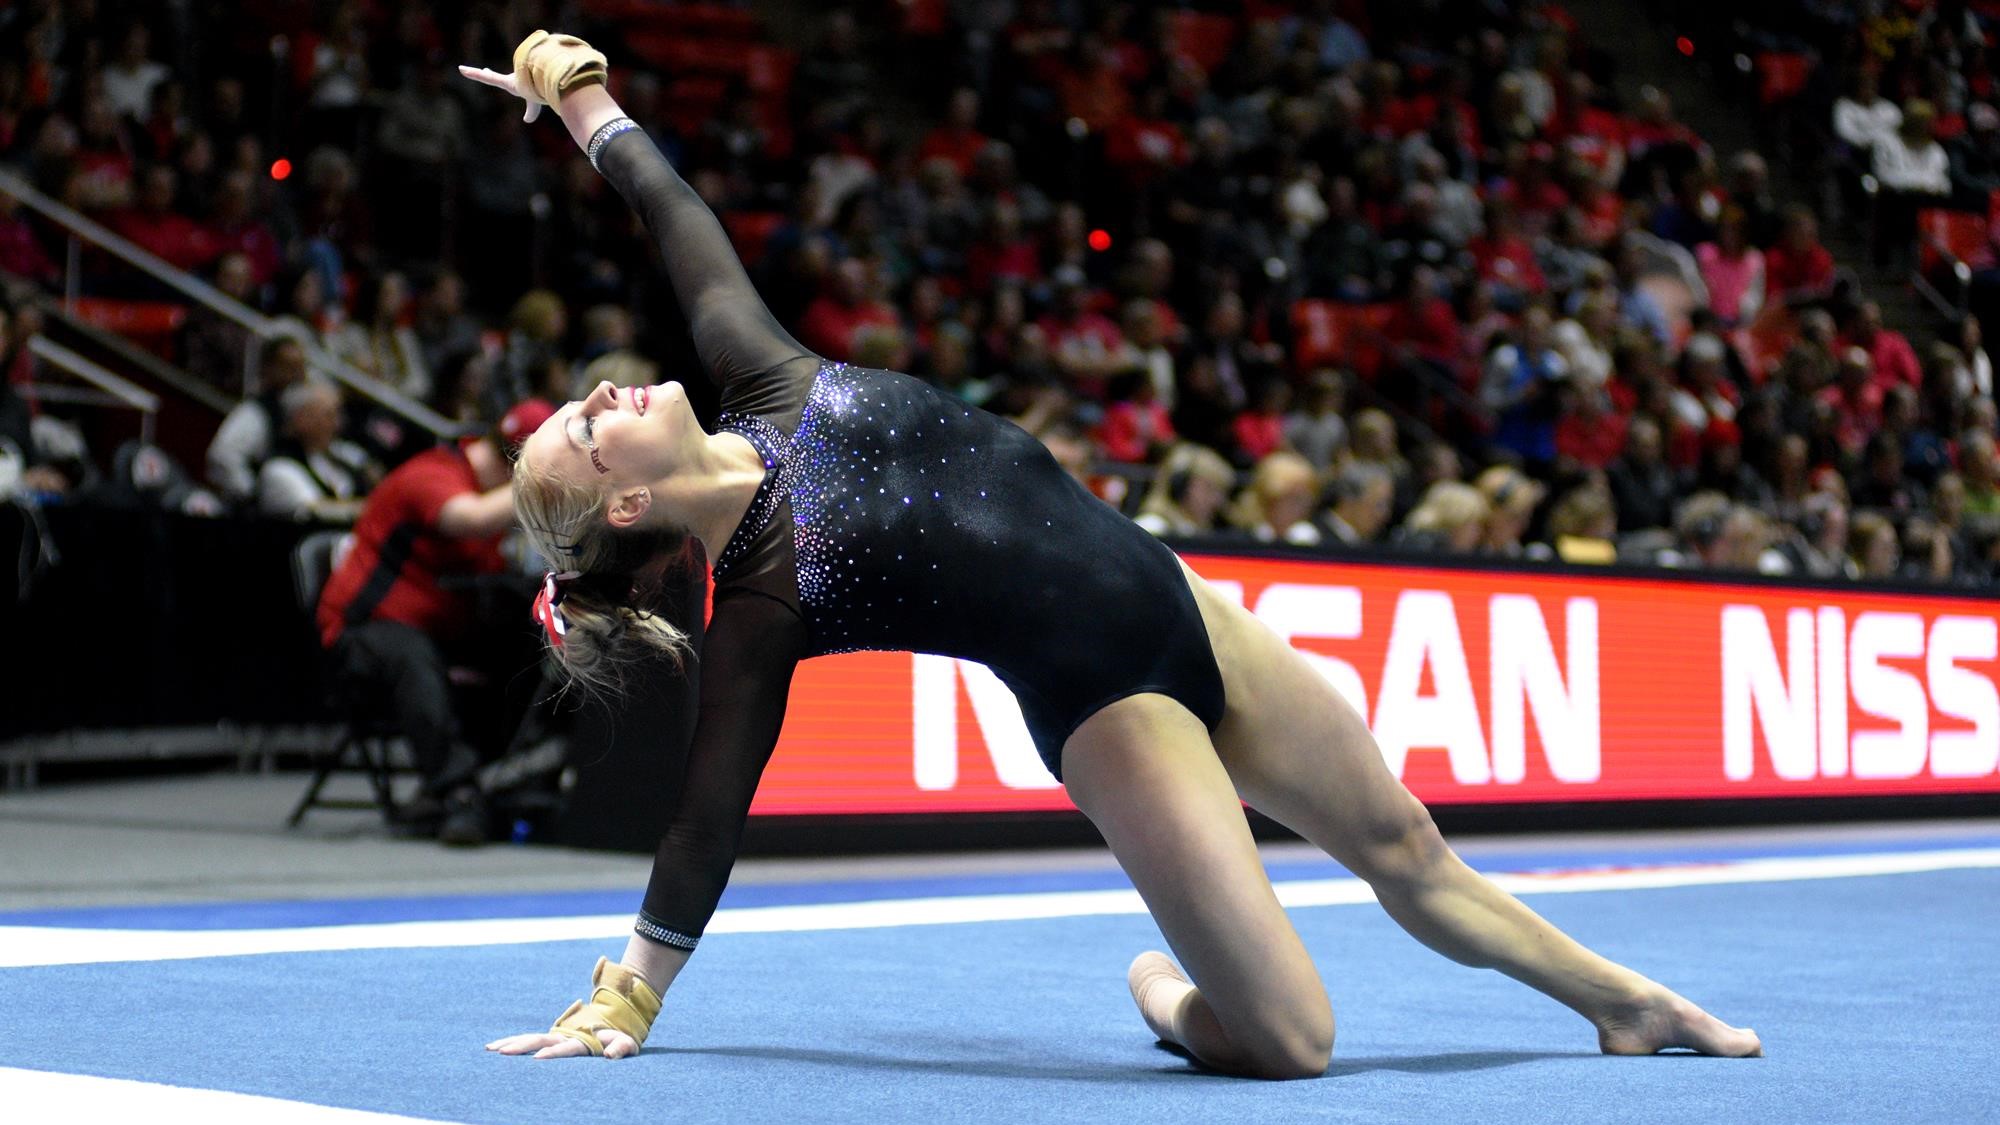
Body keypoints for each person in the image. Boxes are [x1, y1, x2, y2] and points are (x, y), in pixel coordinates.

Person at [465, 35, 1762, 1074]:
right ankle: (1165, 992)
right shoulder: (764, 595)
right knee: (1290, 1045)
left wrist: (574, 93)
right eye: (583, 434)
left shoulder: (765, 377)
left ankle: (1624, 1002)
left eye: (579, 403)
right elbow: (706, 818)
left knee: (1407, 843)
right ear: (624, 508)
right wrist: (630, 993)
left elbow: (667, 206)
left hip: (1182, 606)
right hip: (1111, 709)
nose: (599, 396)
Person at [316, 397, 551, 844]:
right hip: (362, 628)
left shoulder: (482, 485)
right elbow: (470, 519)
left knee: (527, 645)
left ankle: (503, 774)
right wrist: (545, 482)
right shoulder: (431, 474)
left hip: (437, 631)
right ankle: (457, 791)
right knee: (412, 657)